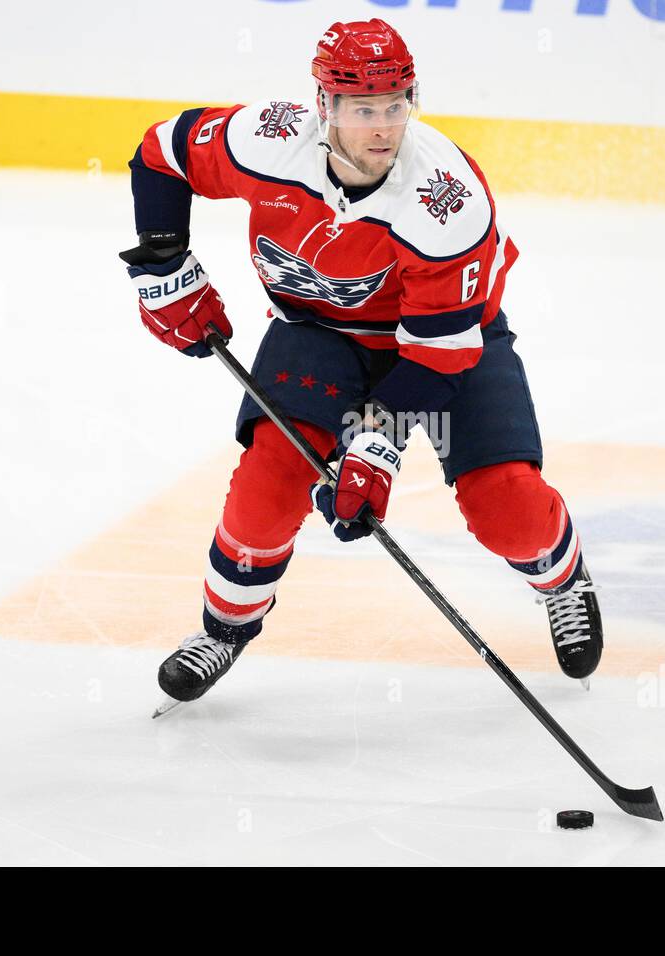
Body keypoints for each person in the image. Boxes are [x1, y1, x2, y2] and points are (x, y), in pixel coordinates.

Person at [122, 18, 603, 704]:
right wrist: (164, 263)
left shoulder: (447, 200)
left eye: (396, 105)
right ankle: (225, 629)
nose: (382, 127)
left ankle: (563, 577)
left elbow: (437, 357)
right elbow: (162, 154)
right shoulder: (271, 138)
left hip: (444, 345)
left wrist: (375, 442)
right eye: (362, 109)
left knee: (506, 508)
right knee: (268, 488)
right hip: (320, 333)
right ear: (325, 105)